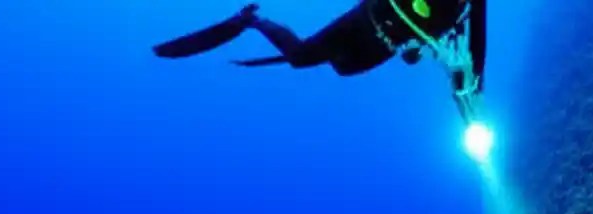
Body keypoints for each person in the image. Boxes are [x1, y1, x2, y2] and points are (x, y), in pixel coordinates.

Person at [152, 1, 487, 120]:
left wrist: (475, 89)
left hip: (386, 46)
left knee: (343, 67)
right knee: (300, 57)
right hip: (365, 20)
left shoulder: (472, 3)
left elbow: (477, 43)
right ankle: (251, 20)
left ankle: (318, 51)